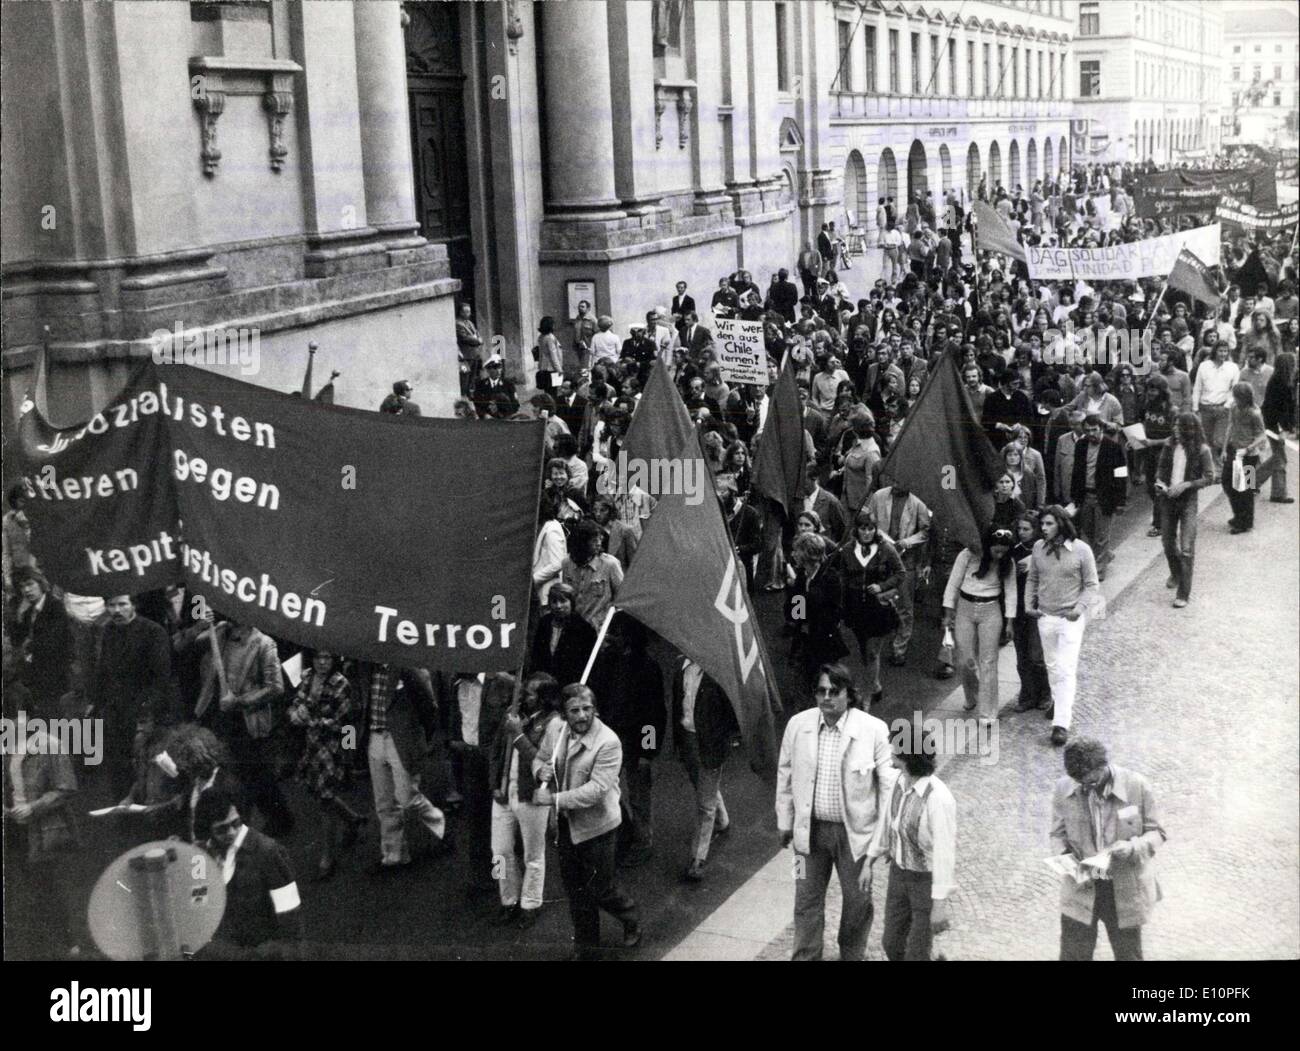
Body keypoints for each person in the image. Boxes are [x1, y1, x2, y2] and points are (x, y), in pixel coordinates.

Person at [775, 662, 896, 962]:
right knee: (805, 900)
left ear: (849, 694)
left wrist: (883, 839)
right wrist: (784, 819)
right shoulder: (798, 725)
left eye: (834, 691)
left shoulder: (873, 730)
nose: (826, 697)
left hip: (854, 835)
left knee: (858, 901)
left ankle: (852, 954)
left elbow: (889, 787)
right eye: (821, 691)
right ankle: (805, 956)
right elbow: (785, 773)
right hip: (809, 833)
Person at [534, 684, 642, 959]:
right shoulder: (556, 730)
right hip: (566, 827)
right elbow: (540, 758)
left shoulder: (609, 742)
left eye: (587, 709)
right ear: (564, 713)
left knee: (601, 889)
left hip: (598, 828)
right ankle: (586, 948)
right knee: (576, 891)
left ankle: (630, 916)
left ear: (595, 709)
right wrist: (540, 769)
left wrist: (554, 800)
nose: (581, 716)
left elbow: (596, 791)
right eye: (574, 710)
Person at [1050, 737, 1165, 962]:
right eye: (1079, 782)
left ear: (1103, 767)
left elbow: (1157, 833)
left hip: (1123, 889)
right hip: (1081, 887)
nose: (1085, 788)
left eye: (1091, 783)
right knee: (1073, 956)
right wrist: (1069, 864)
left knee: (1128, 956)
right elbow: (1057, 834)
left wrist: (1133, 847)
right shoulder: (1064, 788)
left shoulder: (1137, 786)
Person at [192, 617, 293, 839]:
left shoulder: (263, 643)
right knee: (233, 773)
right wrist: (203, 625)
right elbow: (196, 643)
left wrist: (239, 700)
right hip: (219, 715)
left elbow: (275, 688)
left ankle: (279, 820)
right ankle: (238, 824)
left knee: (256, 775)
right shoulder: (220, 631)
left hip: (247, 721)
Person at [869, 727, 957, 962]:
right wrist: (873, 857)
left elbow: (944, 855)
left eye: (895, 750)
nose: (891, 754)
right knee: (891, 943)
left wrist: (939, 905)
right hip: (898, 876)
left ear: (909, 757)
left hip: (924, 883)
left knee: (916, 952)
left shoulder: (938, 798)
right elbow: (889, 821)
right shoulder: (900, 781)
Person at [2, 702, 80, 958]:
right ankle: (35, 943)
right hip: (15, 828)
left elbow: (66, 788)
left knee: (47, 884)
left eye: (20, 720)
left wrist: (34, 808)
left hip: (42, 828)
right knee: (22, 886)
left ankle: (67, 941)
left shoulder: (50, 745)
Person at [488, 673, 564, 928]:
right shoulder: (513, 714)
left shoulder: (555, 724)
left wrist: (519, 736)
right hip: (503, 793)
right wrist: (493, 784)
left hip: (530, 796)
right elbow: (496, 751)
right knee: (499, 851)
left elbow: (545, 763)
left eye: (530, 694)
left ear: (544, 698)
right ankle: (507, 898)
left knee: (533, 854)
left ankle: (531, 902)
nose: (524, 697)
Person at [359, 662, 447, 873]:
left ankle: (441, 827)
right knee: (384, 801)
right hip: (375, 737)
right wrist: (350, 745)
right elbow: (359, 707)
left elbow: (429, 708)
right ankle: (393, 855)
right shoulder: (366, 668)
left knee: (407, 797)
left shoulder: (409, 669)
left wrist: (422, 741)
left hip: (402, 740)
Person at [1025, 506, 1100, 747]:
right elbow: (1033, 578)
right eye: (1042, 524)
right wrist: (1029, 604)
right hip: (1045, 617)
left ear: (1061, 524)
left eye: (1048, 524)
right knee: (1052, 666)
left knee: (1066, 669)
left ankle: (1061, 724)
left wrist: (1078, 609)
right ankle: (1059, 701)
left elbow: (1091, 584)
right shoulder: (1038, 548)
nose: (1043, 528)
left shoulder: (1081, 550)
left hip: (1070, 620)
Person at [194, 788, 303, 952]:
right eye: (221, 829)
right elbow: (199, 898)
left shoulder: (268, 851)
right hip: (226, 947)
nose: (232, 832)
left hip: (263, 950)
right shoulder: (200, 854)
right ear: (207, 829)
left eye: (236, 823)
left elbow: (290, 911)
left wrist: (285, 950)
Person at [287, 651, 365, 880]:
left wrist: (348, 753)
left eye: (327, 658)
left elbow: (346, 722)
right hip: (312, 744)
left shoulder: (342, 684)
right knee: (321, 794)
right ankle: (352, 819)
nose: (322, 662)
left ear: (334, 661)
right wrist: (295, 712)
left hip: (332, 746)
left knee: (325, 801)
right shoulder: (308, 677)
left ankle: (327, 857)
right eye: (318, 658)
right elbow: (296, 702)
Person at [92, 594, 174, 802]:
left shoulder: (153, 632)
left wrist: (146, 713)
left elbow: (161, 679)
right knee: (118, 770)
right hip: (115, 713)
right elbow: (102, 671)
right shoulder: (108, 631)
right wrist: (98, 703)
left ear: (133, 605)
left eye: (122, 604)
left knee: (146, 769)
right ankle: (123, 816)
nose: (117, 610)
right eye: (111, 605)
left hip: (144, 715)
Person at [672, 657, 739, 882]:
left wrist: (729, 740)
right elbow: (676, 708)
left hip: (711, 744)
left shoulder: (716, 673)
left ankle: (697, 858)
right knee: (704, 791)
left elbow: (731, 712)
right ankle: (723, 821)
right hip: (688, 740)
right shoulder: (681, 670)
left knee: (704, 804)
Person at [941, 526, 1017, 722]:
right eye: (996, 550)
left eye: (1004, 551)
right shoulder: (967, 555)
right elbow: (952, 584)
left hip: (991, 611)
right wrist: (948, 612)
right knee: (964, 660)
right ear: (987, 546)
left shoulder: (1008, 563)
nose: (1000, 555)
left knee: (989, 662)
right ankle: (972, 695)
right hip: (965, 608)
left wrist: (1009, 622)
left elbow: (1011, 593)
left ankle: (988, 712)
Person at [832, 509, 904, 707]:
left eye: (871, 529)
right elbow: (842, 579)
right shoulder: (847, 550)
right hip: (854, 607)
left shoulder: (886, 549)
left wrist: (882, 586)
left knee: (872, 652)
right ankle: (875, 685)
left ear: (875, 530)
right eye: (863, 529)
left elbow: (900, 573)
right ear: (856, 530)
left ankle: (866, 696)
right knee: (861, 651)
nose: (867, 533)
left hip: (877, 608)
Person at [865, 482, 931, 667]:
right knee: (877, 601)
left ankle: (899, 649)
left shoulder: (918, 503)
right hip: (880, 559)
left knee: (904, 606)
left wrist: (907, 542)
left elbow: (925, 531)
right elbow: (868, 521)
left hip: (905, 562)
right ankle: (875, 645)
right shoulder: (879, 496)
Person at [1154, 412, 1215, 608]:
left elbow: (1210, 477)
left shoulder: (1202, 450)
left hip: (1188, 500)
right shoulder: (1168, 444)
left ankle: (1183, 593)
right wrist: (1159, 481)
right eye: (1174, 426)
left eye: (1180, 427)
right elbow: (1161, 467)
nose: (1175, 430)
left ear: (1190, 429)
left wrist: (1187, 485)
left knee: (1187, 548)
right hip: (1167, 498)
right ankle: (1176, 572)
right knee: (1167, 541)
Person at [1068, 414, 1126, 581]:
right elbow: (1077, 472)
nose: (1091, 433)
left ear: (1101, 429)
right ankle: (1105, 554)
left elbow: (1121, 475)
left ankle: (1099, 570)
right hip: (1085, 495)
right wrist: (1075, 495)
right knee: (1088, 531)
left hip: (1105, 497)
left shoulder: (1113, 447)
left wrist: (1120, 501)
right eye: (1087, 430)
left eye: (1094, 430)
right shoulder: (1081, 445)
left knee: (1102, 535)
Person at [10, 568, 73, 716]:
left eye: (30, 584)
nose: (26, 590)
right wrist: (19, 614)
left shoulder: (55, 606)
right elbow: (16, 640)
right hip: (35, 672)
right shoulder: (28, 611)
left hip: (55, 672)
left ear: (40, 584)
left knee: (53, 715)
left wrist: (29, 646)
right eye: (22, 587)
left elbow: (51, 641)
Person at [1010, 513, 1052, 713]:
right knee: (1022, 656)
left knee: (1036, 654)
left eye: (1026, 529)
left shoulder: (1043, 550)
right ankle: (1027, 694)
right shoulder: (1015, 551)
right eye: (1019, 529)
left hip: (1037, 607)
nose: (1022, 533)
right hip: (1018, 608)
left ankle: (1045, 693)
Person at [560, 519, 624, 631]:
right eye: (594, 540)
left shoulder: (610, 565)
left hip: (600, 630)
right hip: (575, 629)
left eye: (600, 539)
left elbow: (622, 599)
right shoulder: (567, 564)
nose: (599, 543)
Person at [1222, 381, 1268, 535]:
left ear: (1246, 398)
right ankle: (1238, 515)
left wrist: (1248, 448)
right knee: (1228, 483)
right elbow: (1230, 425)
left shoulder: (1254, 413)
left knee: (1245, 489)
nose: (1235, 400)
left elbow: (1262, 435)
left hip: (1249, 456)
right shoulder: (1234, 408)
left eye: (1238, 398)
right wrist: (1224, 449)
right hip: (1234, 450)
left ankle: (1245, 521)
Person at [1191, 341, 1238, 470]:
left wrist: (1227, 405)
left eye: (1225, 351)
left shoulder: (1233, 367)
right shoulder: (1204, 366)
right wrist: (1195, 408)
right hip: (1205, 407)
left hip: (1223, 408)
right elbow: (1197, 388)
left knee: (1219, 440)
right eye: (1220, 351)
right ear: (1215, 351)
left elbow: (1234, 389)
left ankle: (1218, 466)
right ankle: (1210, 468)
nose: (1223, 354)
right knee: (1206, 439)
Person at [1262, 351, 1296, 503]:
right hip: (1275, 425)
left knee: (1277, 458)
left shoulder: (1277, 380)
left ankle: (1249, 483)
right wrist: (1284, 429)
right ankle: (1278, 494)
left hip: (1270, 423)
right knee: (1280, 459)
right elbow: (1281, 409)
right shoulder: (1282, 384)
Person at [535, 316, 563, 392]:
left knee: (547, 391)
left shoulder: (541, 337)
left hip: (543, 368)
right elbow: (553, 355)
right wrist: (559, 369)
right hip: (552, 369)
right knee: (553, 391)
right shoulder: (550, 338)